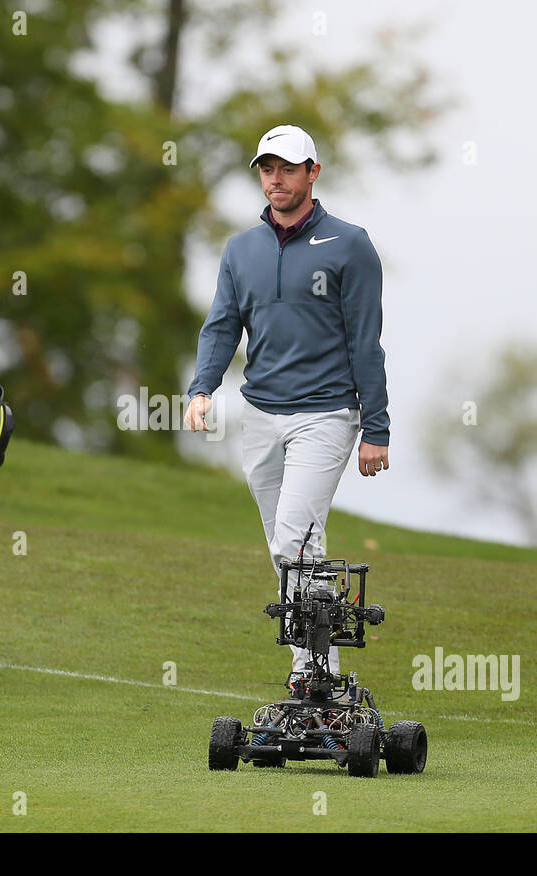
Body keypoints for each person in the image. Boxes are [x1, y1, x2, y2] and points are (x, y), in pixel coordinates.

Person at [183, 125, 390, 677]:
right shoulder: (241, 249)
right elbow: (222, 326)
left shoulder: (350, 244)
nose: (276, 180)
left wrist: (377, 428)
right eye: (267, 169)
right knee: (289, 545)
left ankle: (310, 672)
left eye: (288, 169)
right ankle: (320, 672)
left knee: (292, 540)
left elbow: (365, 341)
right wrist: (202, 387)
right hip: (261, 414)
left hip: (326, 413)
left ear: (313, 173)